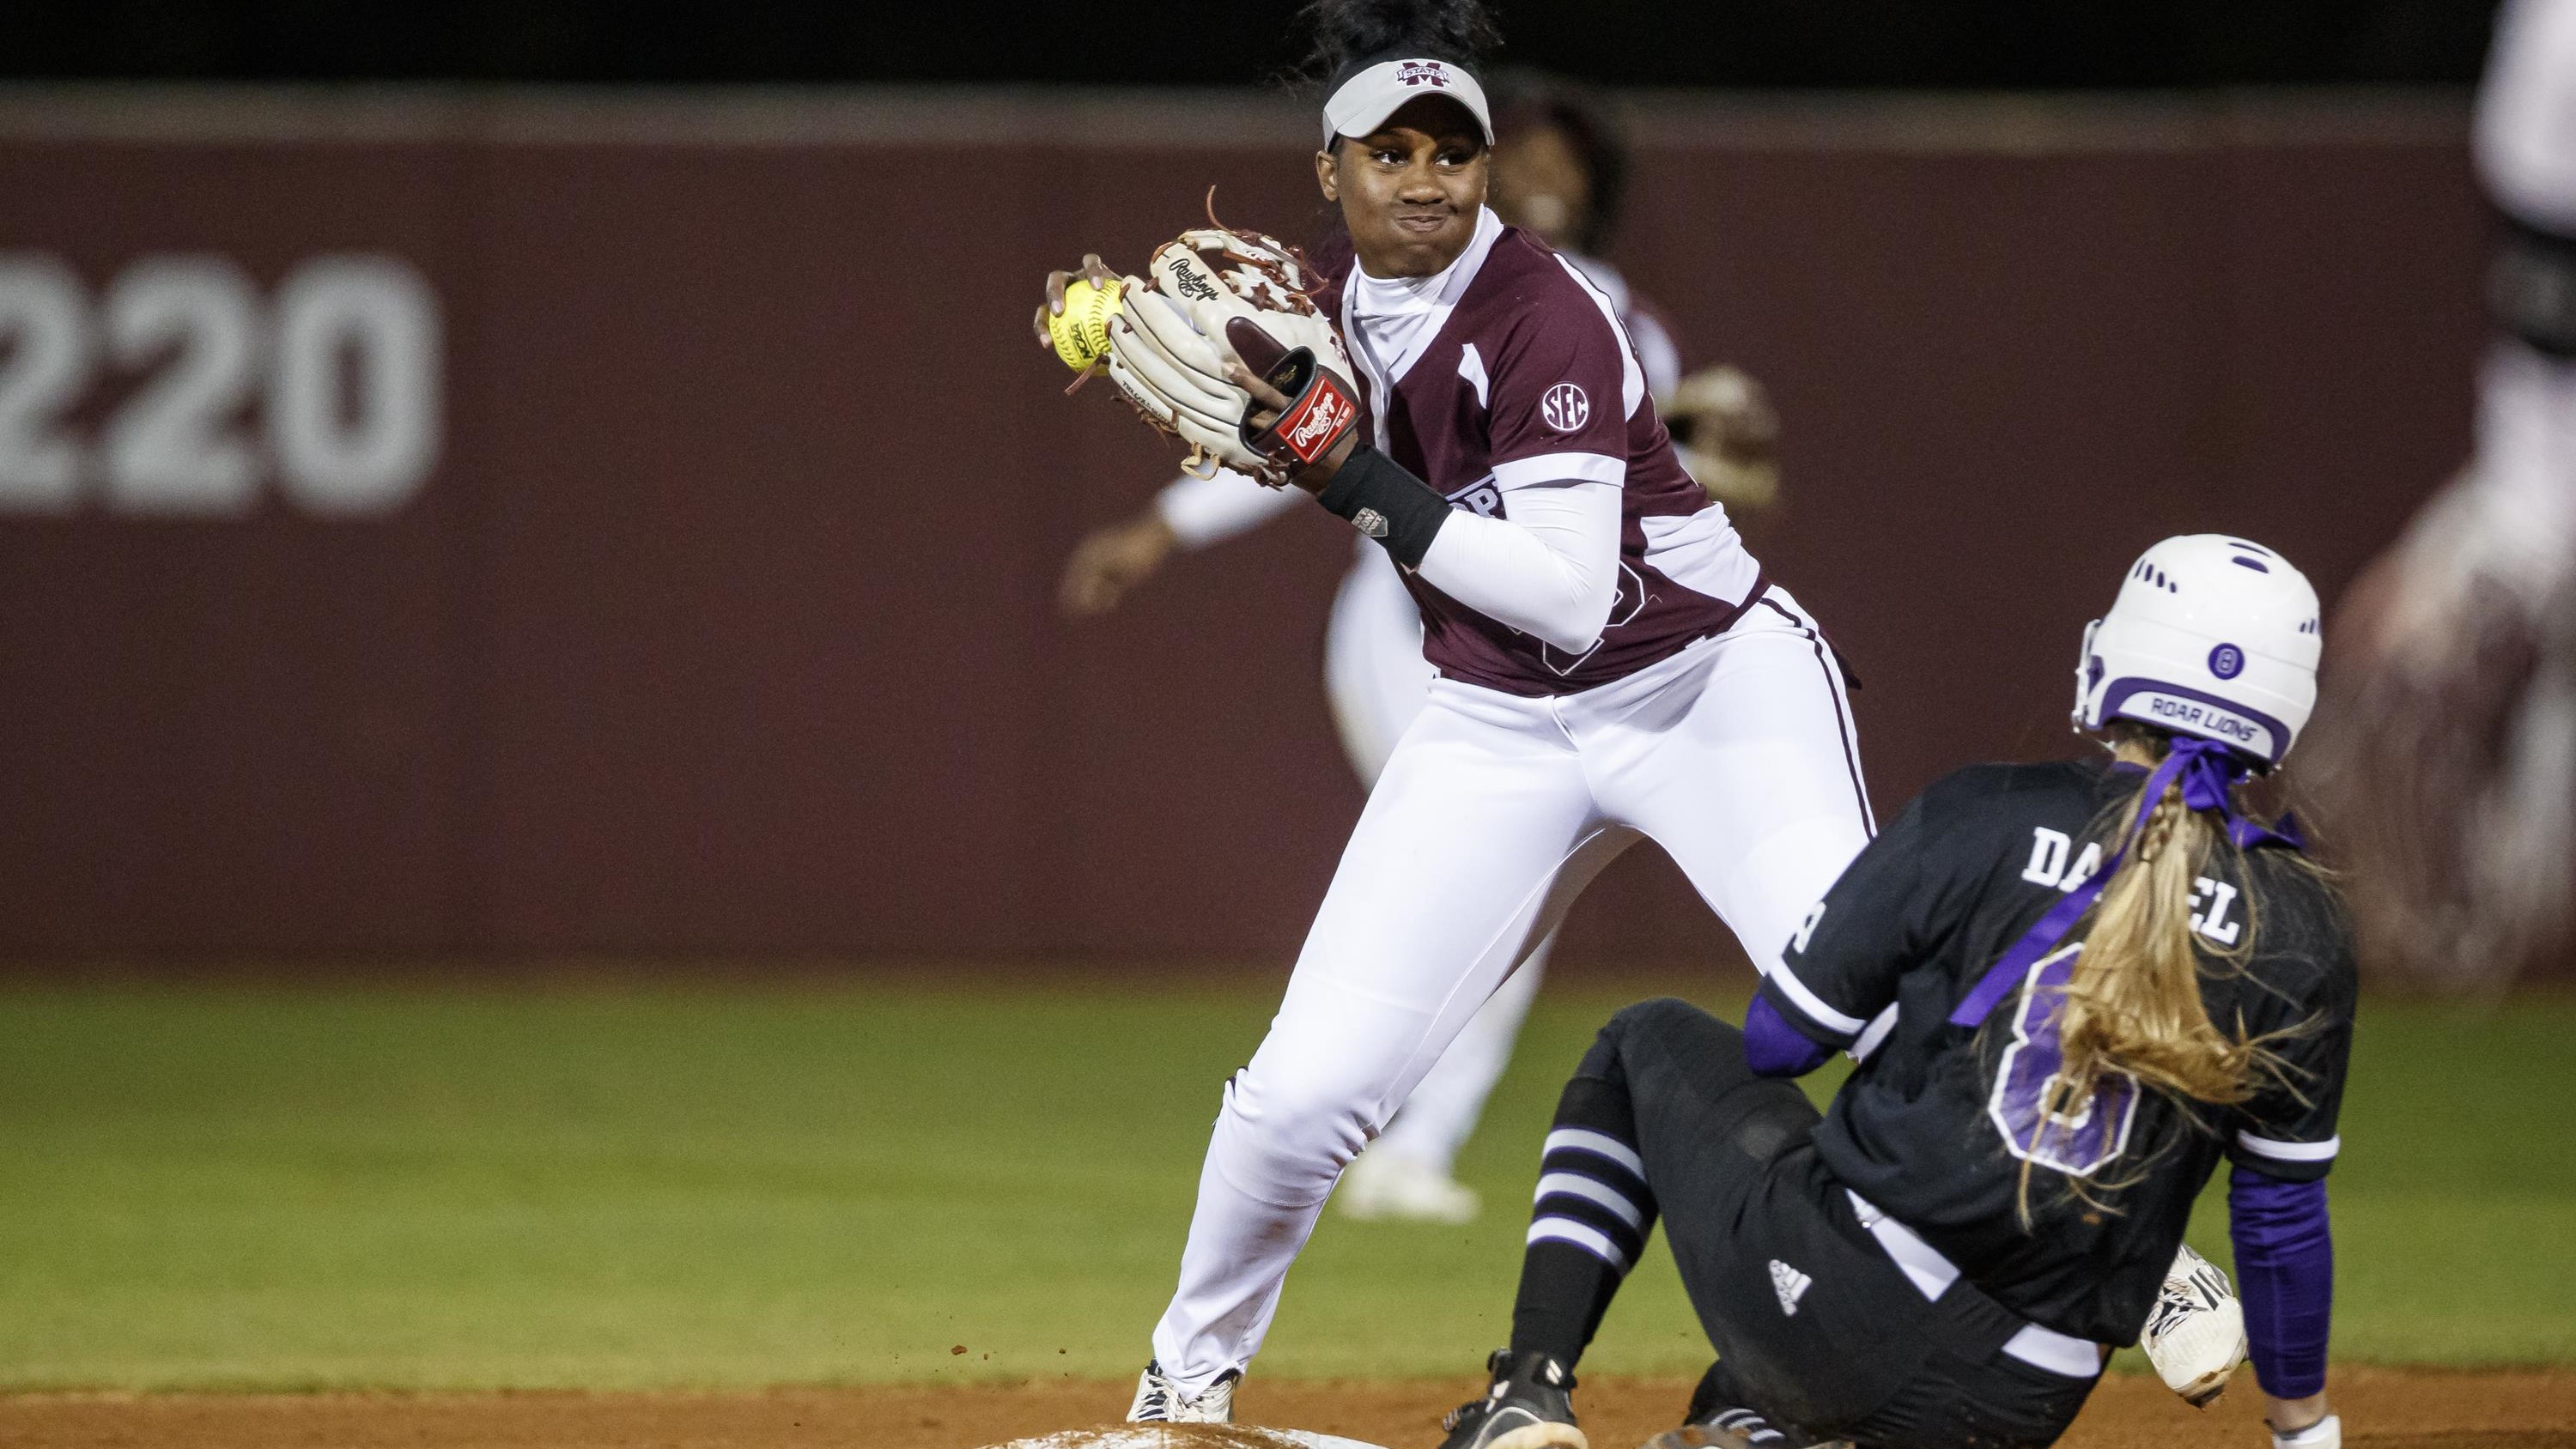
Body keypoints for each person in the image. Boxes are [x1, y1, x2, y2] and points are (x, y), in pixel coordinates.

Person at [1042, 0, 1878, 1422]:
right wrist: (1124, 326)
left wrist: (1348, 470)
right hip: (1498, 723)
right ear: (1330, 169)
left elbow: (1562, 595)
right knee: (1300, 1097)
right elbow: (1262, 400)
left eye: (1453, 152)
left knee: (1870, 999)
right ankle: (1181, 1391)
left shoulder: (1550, 311)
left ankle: (2135, 1256)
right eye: (1392, 152)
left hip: (1706, 688)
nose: (1426, 178)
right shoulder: (1321, 296)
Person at [1437, 535, 2352, 1449]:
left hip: (1841, 1311)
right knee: (1821, 1260)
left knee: (1644, 1041)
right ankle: (1755, 1426)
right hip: (2021, 1400)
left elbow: (1779, 1038)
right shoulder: (2302, 926)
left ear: (2125, 655)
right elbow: (2280, 1218)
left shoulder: (1988, 811)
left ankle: (1529, 1393)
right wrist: (2302, 1434)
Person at [2304, 0, 2576, 988]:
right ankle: (2457, 956)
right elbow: (2537, 372)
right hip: (2536, 490)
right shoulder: (2551, 43)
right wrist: (2456, 540)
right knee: (2382, 669)